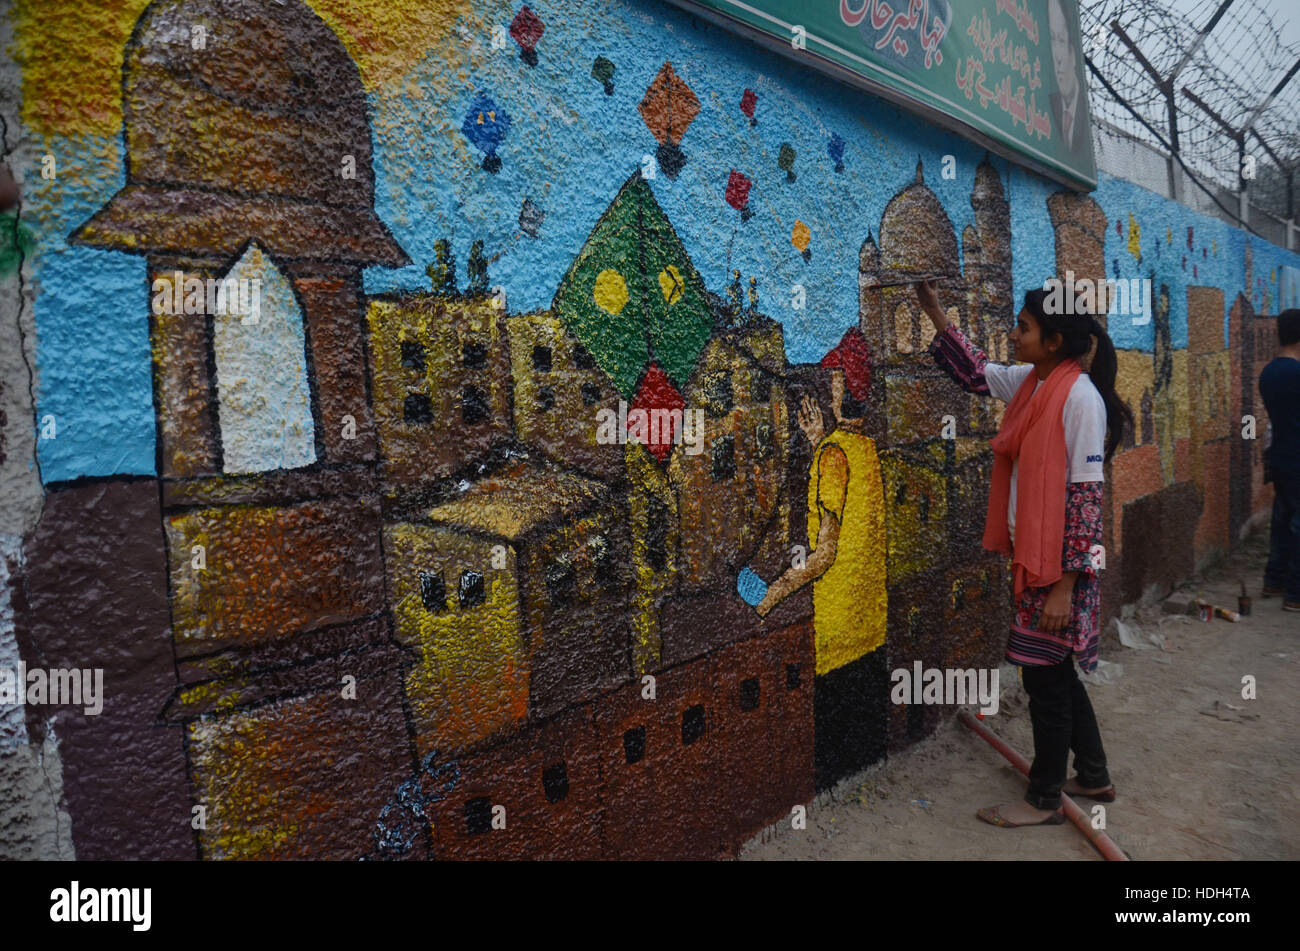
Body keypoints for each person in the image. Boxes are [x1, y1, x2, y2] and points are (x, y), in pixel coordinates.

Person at [917, 279, 1133, 827]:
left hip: (1057, 570)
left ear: (1054, 341)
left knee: (1043, 680)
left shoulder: (1079, 400)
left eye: (1023, 327)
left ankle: (1042, 799)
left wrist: (1064, 584)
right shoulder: (1034, 383)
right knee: (1056, 672)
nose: (1014, 335)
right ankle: (1094, 773)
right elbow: (975, 371)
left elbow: (1087, 503)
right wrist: (935, 313)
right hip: (1039, 563)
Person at [1258, 309, 1300, 611]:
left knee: (1282, 520)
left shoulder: (1269, 372)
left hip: (1281, 456)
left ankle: (1274, 579)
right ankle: (1295, 594)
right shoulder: (1297, 373)